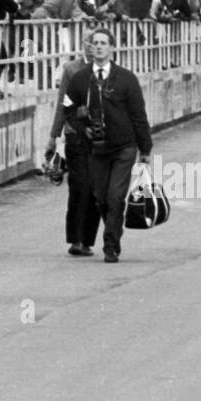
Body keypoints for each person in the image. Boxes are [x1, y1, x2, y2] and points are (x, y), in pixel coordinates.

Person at [64, 27, 153, 264]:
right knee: (101, 197)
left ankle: (110, 245)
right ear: (90, 47)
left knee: (115, 196)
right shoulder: (80, 79)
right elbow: (68, 108)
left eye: (104, 42)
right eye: (96, 43)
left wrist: (145, 150)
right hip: (96, 149)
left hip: (124, 147)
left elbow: (138, 115)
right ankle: (113, 231)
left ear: (112, 47)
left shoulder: (126, 78)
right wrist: (82, 127)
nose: (100, 46)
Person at [47, 39, 97, 256]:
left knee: (96, 189)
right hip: (75, 135)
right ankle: (75, 240)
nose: (90, 45)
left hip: (98, 138)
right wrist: (53, 135)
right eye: (87, 41)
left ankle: (87, 241)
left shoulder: (108, 70)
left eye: (95, 41)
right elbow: (62, 103)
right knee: (79, 187)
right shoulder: (71, 69)